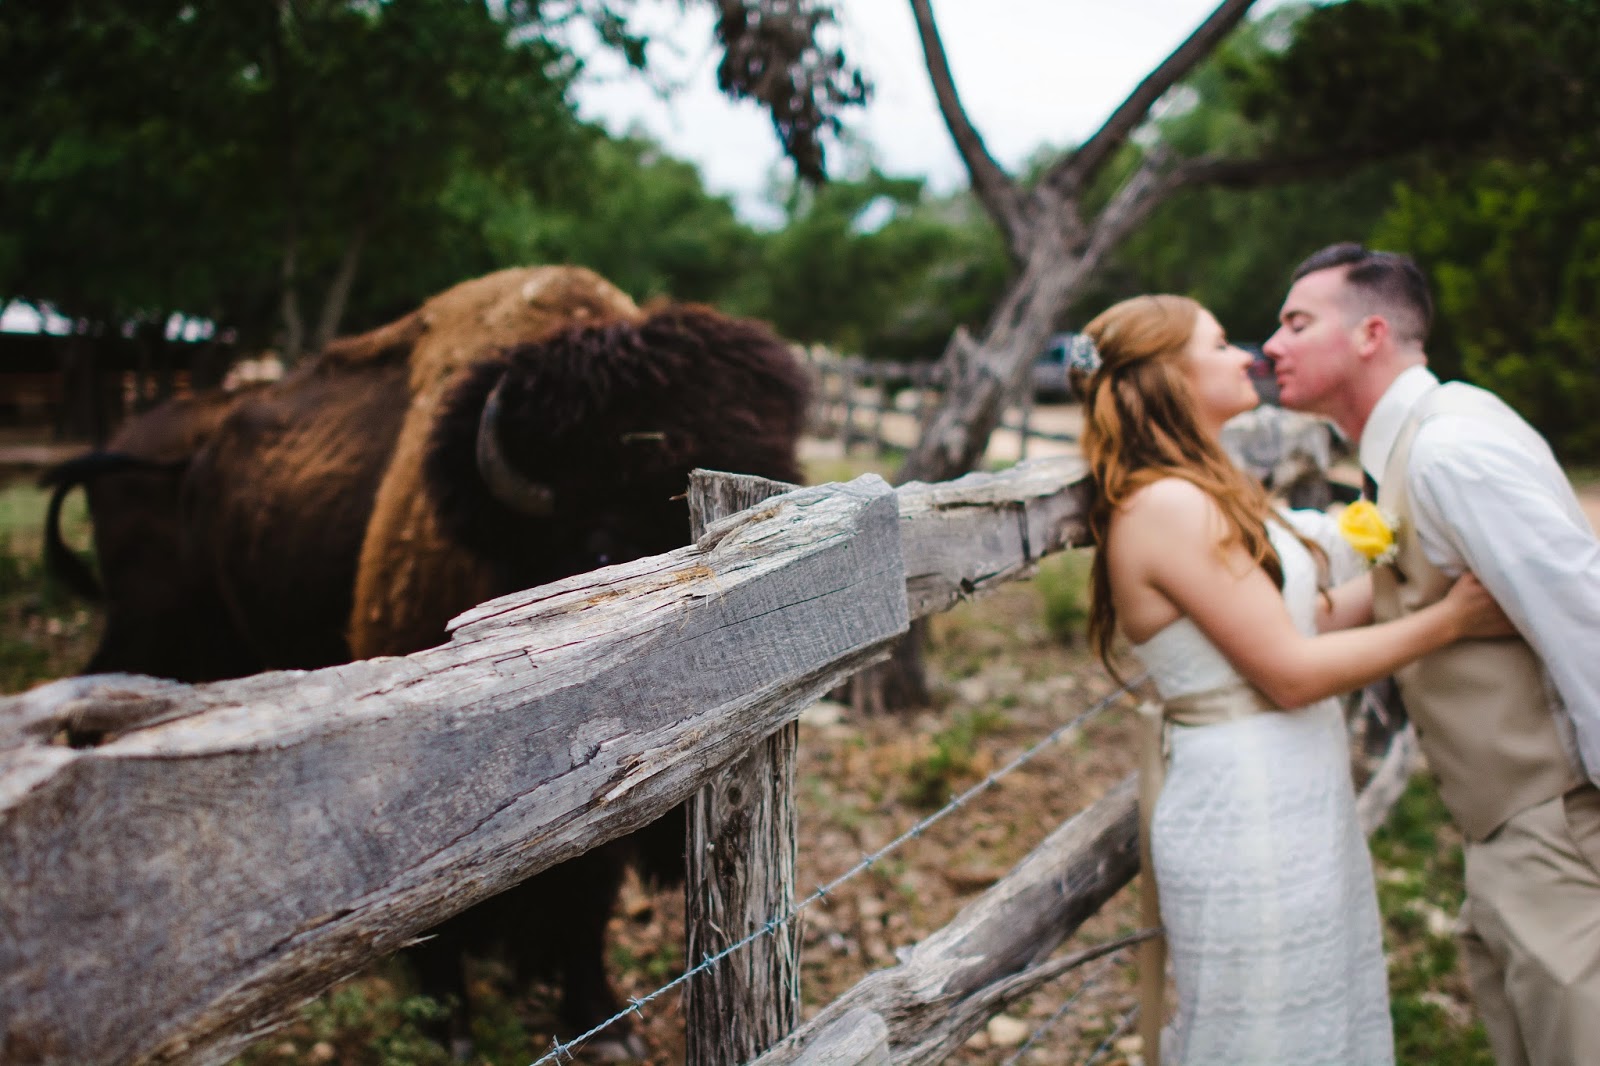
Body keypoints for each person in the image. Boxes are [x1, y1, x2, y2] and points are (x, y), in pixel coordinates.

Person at [1070, 294, 1514, 1066]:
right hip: (1247, 804)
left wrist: (1433, 562)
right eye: (1219, 344)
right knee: (1268, 1031)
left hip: (1288, 786)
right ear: (1169, 375)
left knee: (1316, 1015)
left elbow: (1307, 621)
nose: (1247, 355)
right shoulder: (1169, 504)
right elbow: (1292, 674)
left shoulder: (1204, 487)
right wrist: (1454, 622)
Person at [1264, 243, 1600, 1066]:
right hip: (1506, 831)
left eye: (1297, 323)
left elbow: (1584, 617)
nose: (1272, 345)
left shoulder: (1451, 450)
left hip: (1553, 827)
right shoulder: (1415, 444)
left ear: (1371, 333)